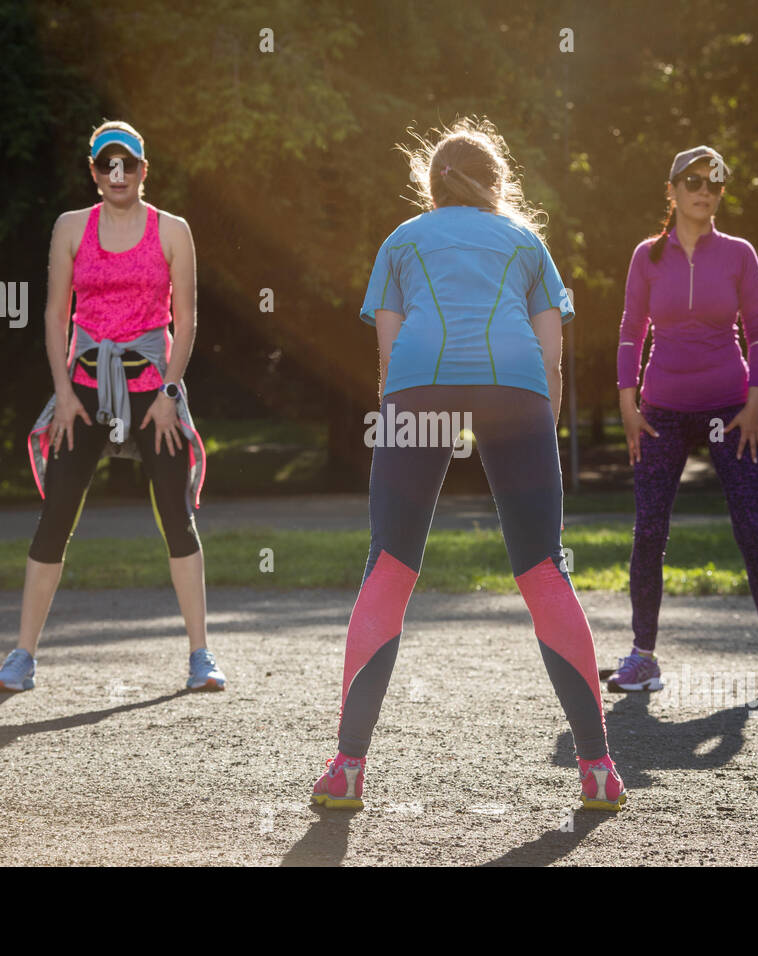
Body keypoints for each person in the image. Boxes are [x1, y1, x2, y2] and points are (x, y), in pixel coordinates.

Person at [311, 117, 626, 811]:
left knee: (390, 564)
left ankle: (347, 771)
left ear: (430, 186)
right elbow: (551, 358)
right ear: (499, 184)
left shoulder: (402, 240)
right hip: (515, 385)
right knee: (544, 567)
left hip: (419, 383)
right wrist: (538, 427)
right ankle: (599, 772)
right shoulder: (525, 242)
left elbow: (391, 357)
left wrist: (409, 417)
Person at [0, 120, 226, 693]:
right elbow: (54, 315)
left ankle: (201, 656)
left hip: (152, 387)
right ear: (94, 173)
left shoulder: (173, 231)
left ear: (144, 170)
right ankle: (22, 658)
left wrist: (170, 394)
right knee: (57, 510)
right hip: (85, 384)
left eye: (128, 165)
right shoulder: (71, 228)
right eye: (105, 165)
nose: (117, 175)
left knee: (175, 510)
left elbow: (186, 321)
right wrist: (63, 393)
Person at [610, 145, 758, 695]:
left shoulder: (740, 254)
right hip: (661, 412)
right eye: (695, 180)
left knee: (752, 524)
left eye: (716, 183)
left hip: (732, 407)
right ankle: (643, 657)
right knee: (649, 529)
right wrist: (628, 404)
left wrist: (756, 402)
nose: (706, 190)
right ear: (672, 190)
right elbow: (632, 331)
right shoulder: (647, 257)